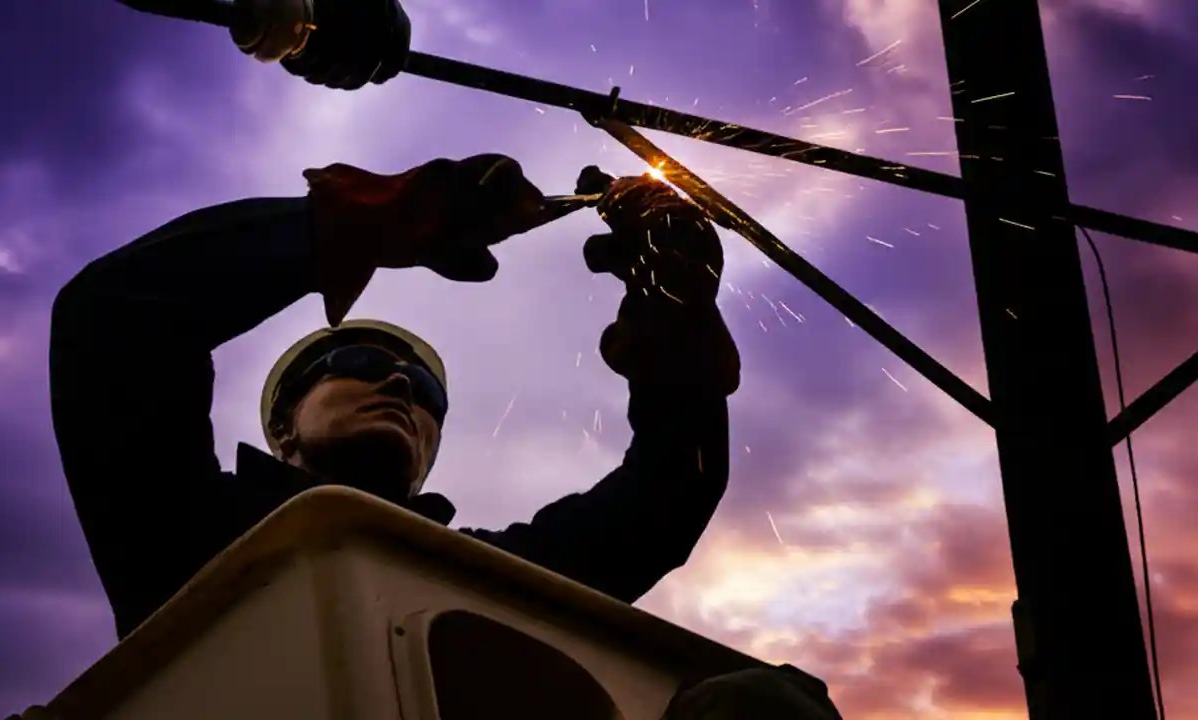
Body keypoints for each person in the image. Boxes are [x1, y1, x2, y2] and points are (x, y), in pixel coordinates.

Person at [45, 2, 847, 717]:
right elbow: (117, 320)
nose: (401, 382)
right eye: (357, 357)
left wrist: (675, 327)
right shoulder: (184, 539)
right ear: (282, 427)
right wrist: (373, 222)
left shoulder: (495, 573)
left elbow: (669, 495)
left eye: (427, 388)